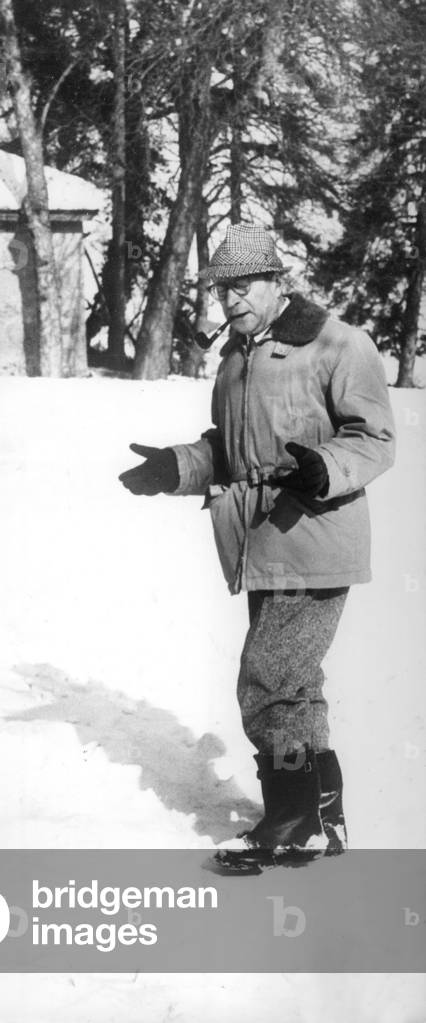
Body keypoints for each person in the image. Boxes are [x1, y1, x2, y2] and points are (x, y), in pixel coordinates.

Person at [119, 224, 395, 873]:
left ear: (277, 281)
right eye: (223, 289)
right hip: (263, 543)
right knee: (295, 684)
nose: (233, 300)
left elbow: (376, 437)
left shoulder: (336, 344)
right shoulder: (239, 358)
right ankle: (323, 818)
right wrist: (177, 466)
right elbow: (232, 449)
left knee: (266, 678)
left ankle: (289, 816)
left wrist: (324, 467)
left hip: (319, 539)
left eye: (246, 285)